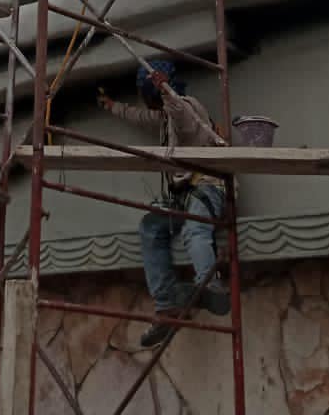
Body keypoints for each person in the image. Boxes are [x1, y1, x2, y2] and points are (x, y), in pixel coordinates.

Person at [98, 59, 230, 348]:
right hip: (183, 193)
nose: (144, 101)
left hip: (208, 186)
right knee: (150, 228)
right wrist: (111, 106)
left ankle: (210, 284)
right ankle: (167, 304)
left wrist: (166, 92)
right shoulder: (162, 117)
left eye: (146, 94)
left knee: (196, 229)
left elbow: (181, 114)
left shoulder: (187, 106)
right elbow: (140, 117)